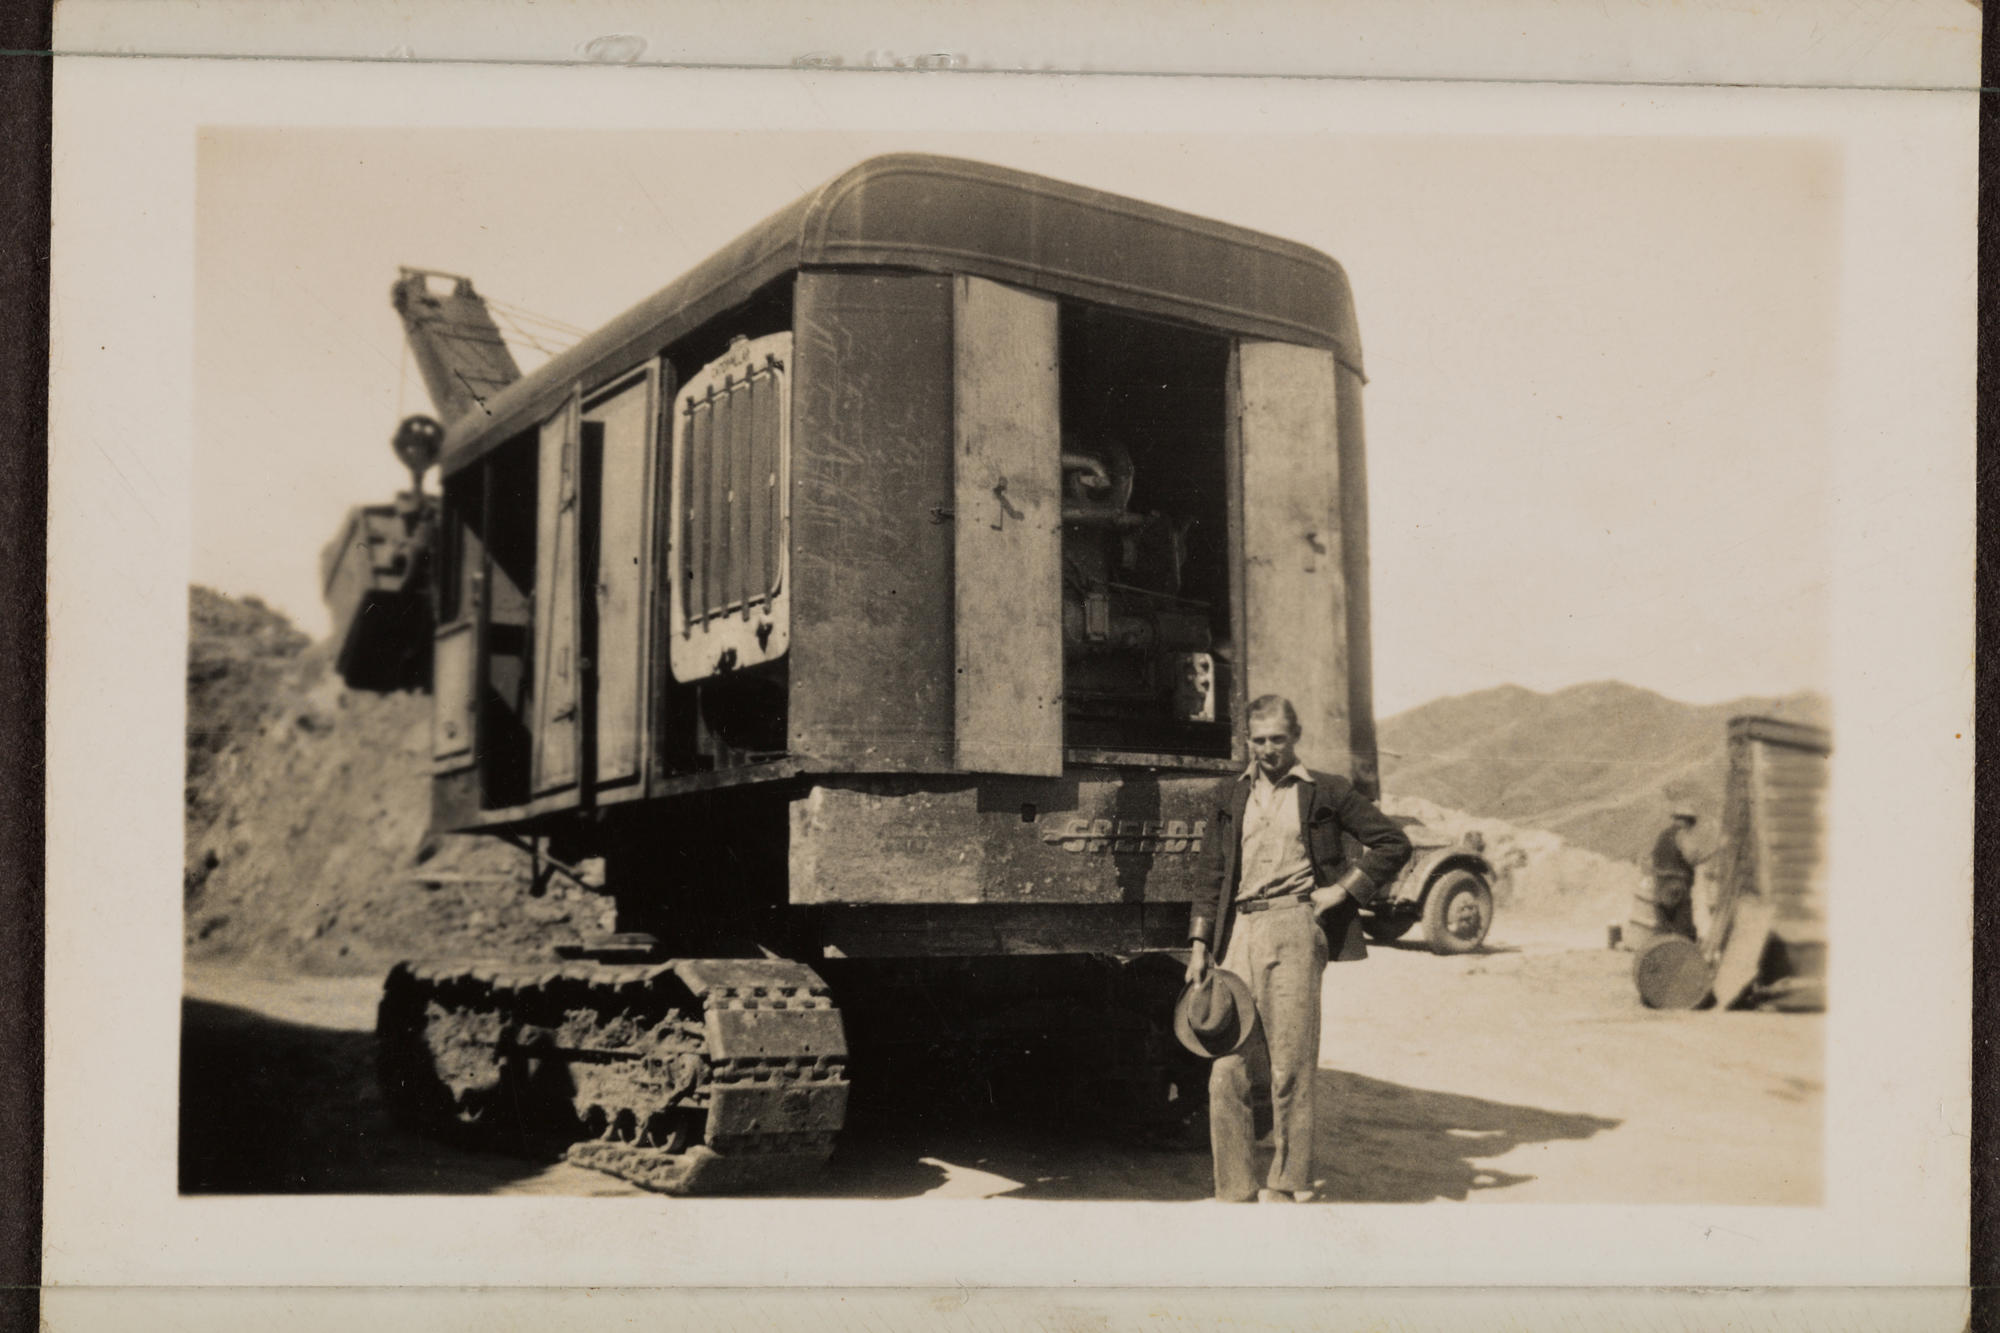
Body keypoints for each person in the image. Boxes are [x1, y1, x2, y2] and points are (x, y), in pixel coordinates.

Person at [1184, 694, 1412, 1203]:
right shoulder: (1229, 795)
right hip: (1237, 933)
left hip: (1294, 926)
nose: (1268, 749)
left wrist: (1341, 891)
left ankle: (1290, 1181)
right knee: (1228, 1066)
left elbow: (1393, 842)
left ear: (1296, 736)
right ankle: (1235, 1186)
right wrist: (1201, 942)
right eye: (1259, 739)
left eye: (1278, 739)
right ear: (1247, 739)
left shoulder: (1325, 791)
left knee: (1291, 1064)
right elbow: (1210, 872)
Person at [1649, 804, 1710, 942]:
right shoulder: (1682, 834)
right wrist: (1703, 856)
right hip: (1678, 888)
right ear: (1687, 821)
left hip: (1659, 888)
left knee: (1663, 933)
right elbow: (1692, 858)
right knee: (1684, 933)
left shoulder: (1662, 836)